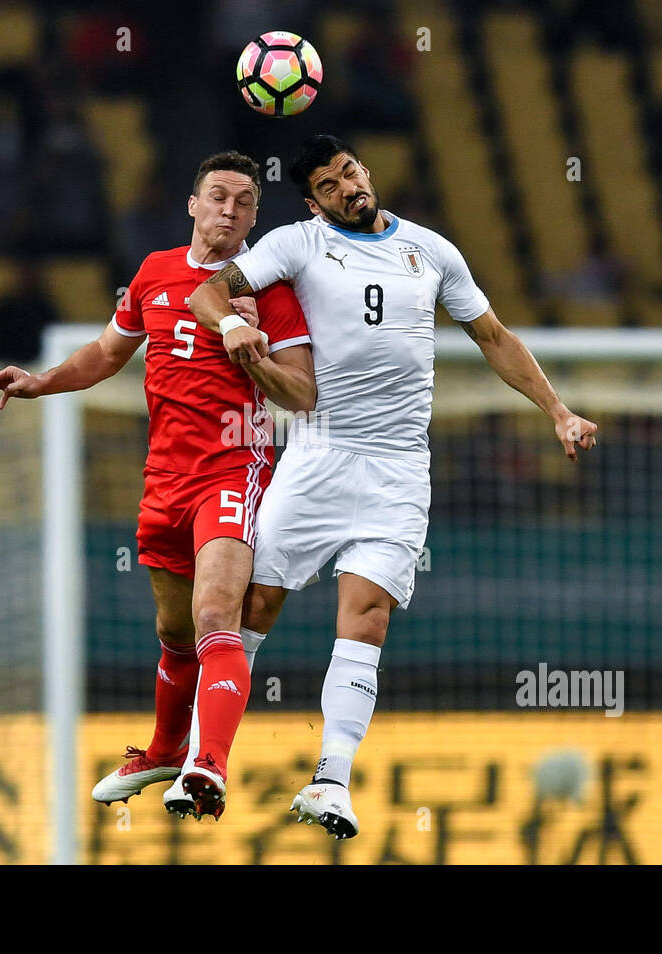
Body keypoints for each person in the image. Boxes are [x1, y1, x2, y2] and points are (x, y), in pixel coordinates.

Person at [187, 134, 598, 839]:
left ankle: (330, 781)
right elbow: (208, 289)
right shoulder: (297, 244)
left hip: (398, 467)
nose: (348, 187)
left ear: (365, 172)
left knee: (368, 616)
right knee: (254, 603)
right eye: (329, 184)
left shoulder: (433, 252)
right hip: (318, 454)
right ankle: (206, 757)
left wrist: (557, 411)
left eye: (350, 172)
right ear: (314, 202)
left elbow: (494, 337)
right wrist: (229, 324)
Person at [0, 151, 313, 820]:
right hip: (164, 478)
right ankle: (164, 747)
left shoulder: (271, 291)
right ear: (192, 204)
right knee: (175, 630)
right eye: (217, 196)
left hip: (232, 467)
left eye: (244, 202)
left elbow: (302, 393)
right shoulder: (154, 274)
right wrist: (43, 382)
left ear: (254, 218)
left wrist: (256, 353)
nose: (228, 210)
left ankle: (207, 765)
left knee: (215, 615)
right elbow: (105, 353)